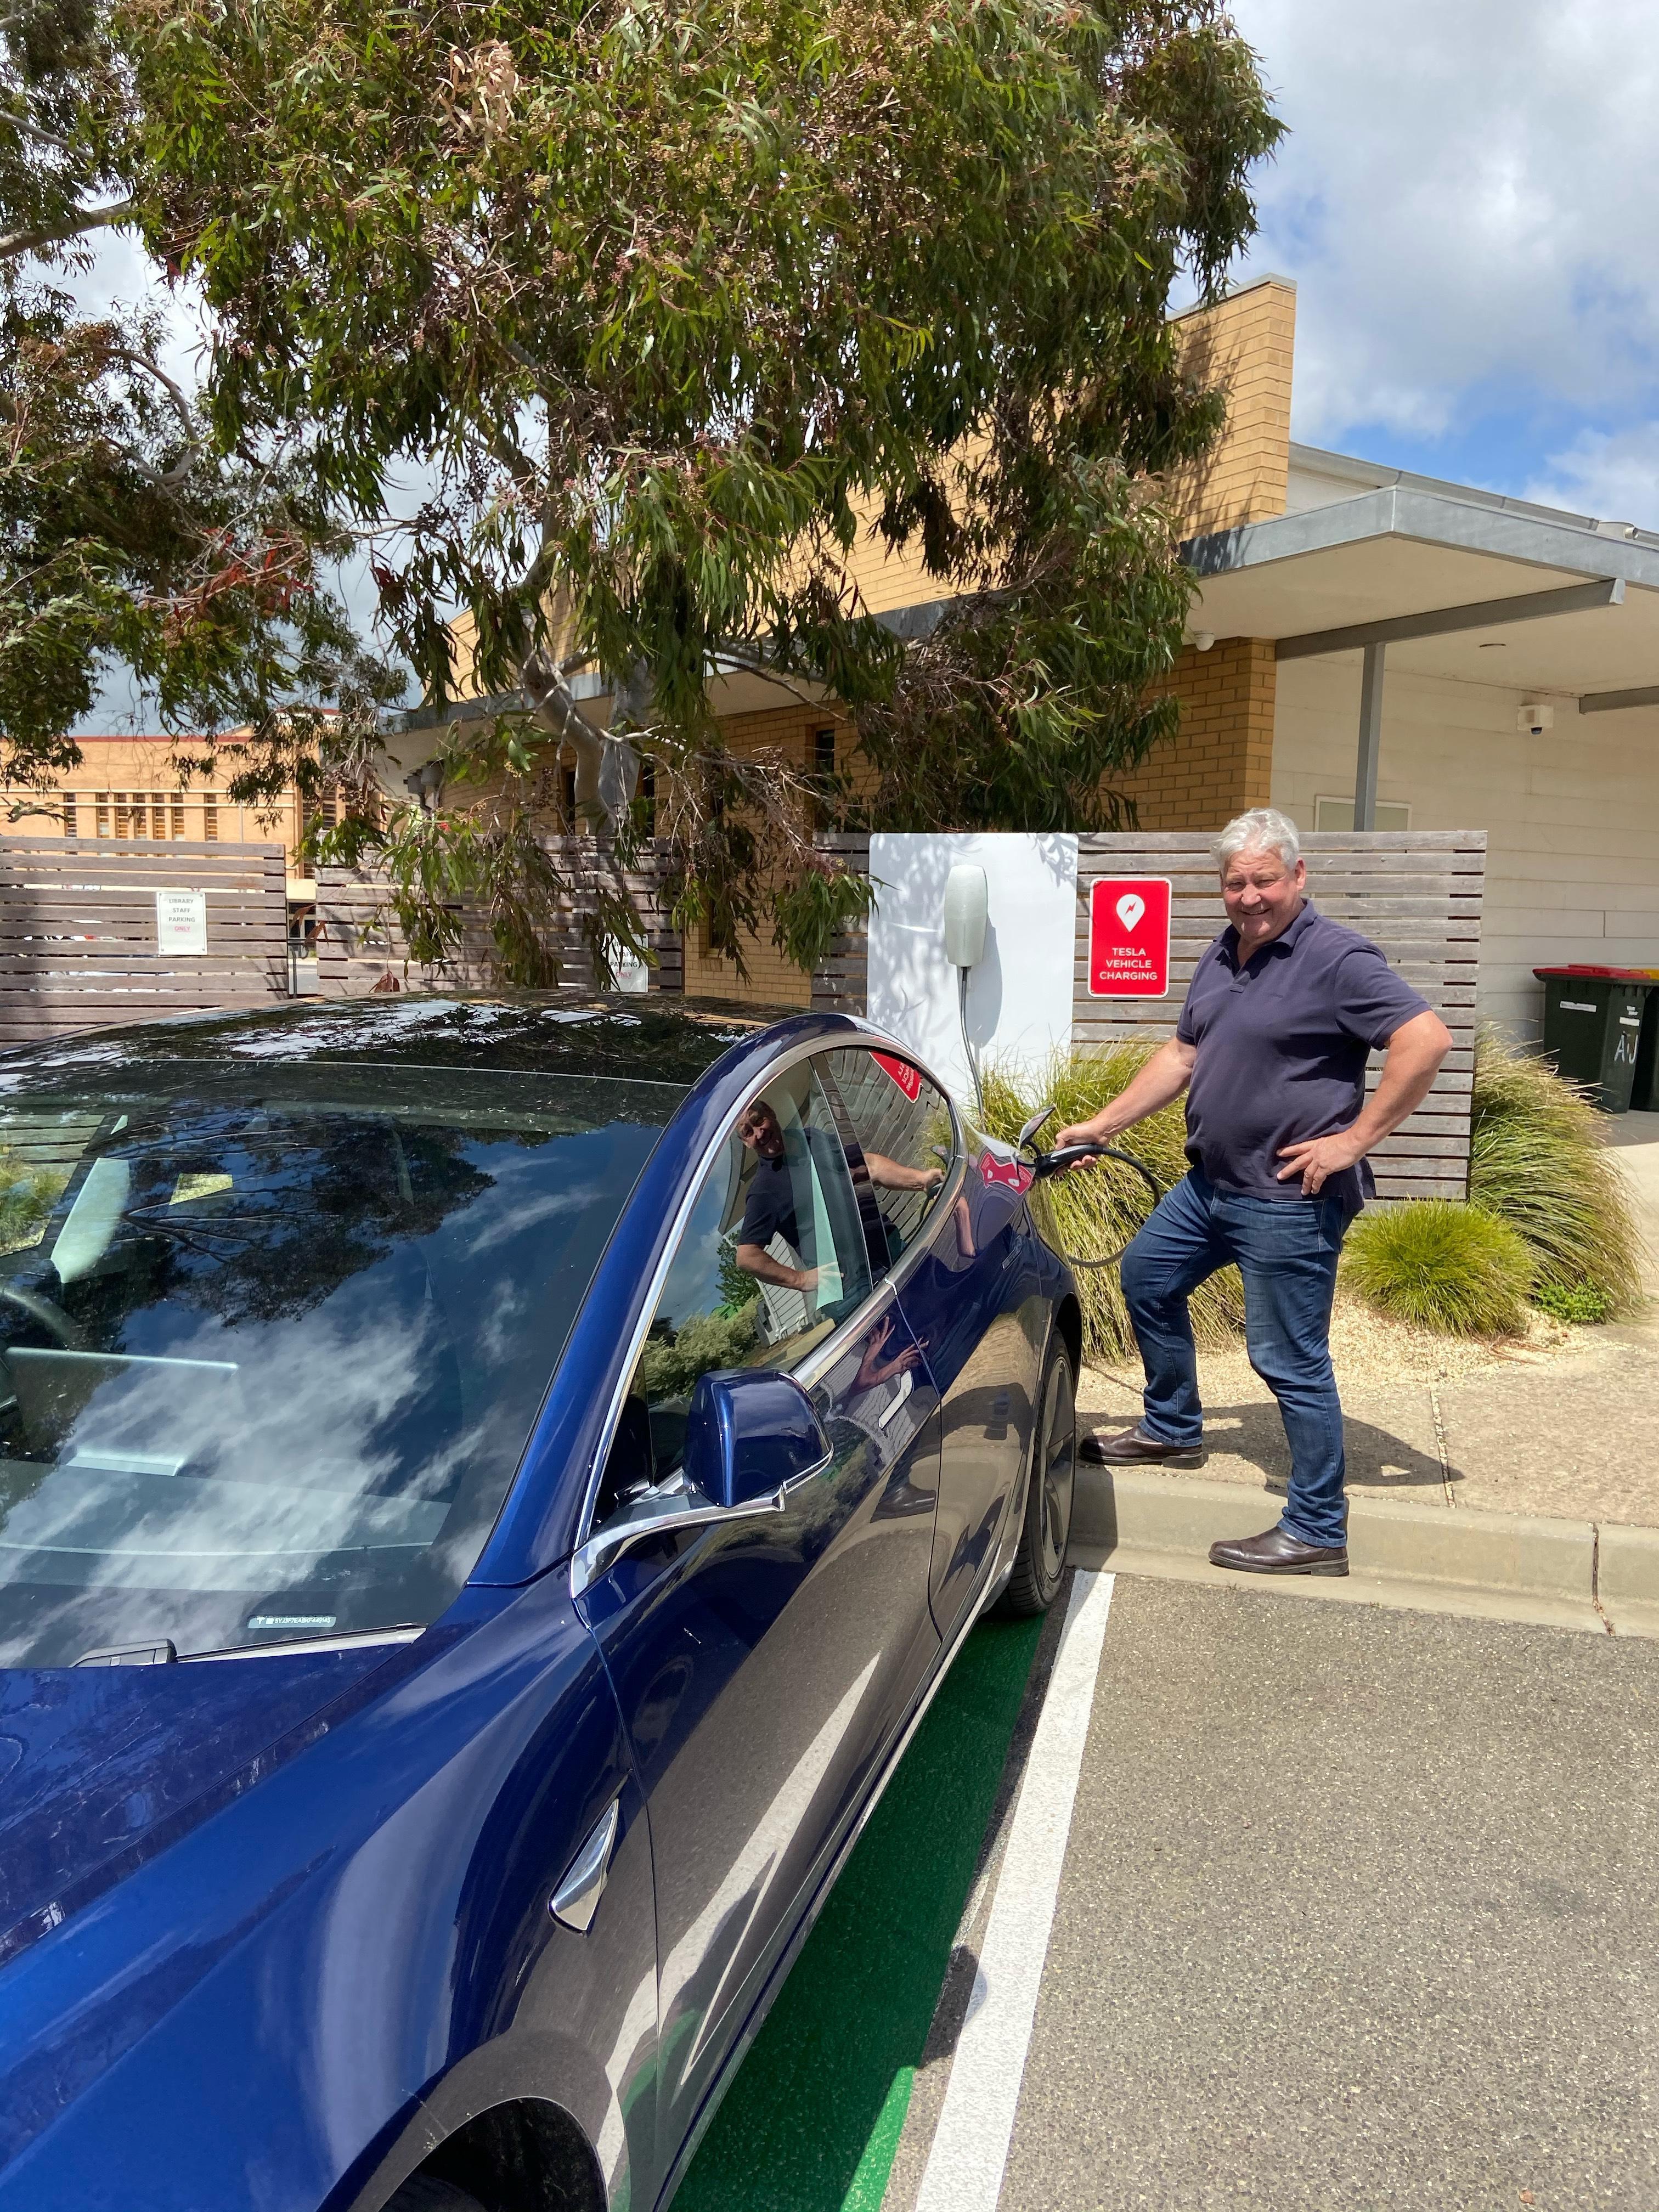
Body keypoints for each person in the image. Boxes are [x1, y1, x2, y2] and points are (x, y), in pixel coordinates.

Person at [1056, 808, 1452, 1576]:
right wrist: (1101, 1124)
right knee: (1147, 1277)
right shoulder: (1224, 952)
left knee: (1289, 1360)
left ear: (1298, 877)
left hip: (1287, 1200)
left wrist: (1354, 1141)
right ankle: (1172, 1426)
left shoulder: (1336, 957)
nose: (1249, 896)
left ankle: (1316, 1530)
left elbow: (1424, 1038)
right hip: (1211, 1185)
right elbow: (1183, 1054)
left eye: (1265, 880)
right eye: (1236, 883)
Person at [732, 1097, 941, 1295]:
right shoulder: (763, 1191)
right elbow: (747, 1256)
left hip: (890, 1247)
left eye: (759, 1121)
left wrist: (921, 1179)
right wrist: (800, 1279)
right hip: (854, 1288)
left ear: (770, 1112)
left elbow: (868, 1166)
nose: (758, 1133)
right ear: (746, 1143)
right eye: (748, 1132)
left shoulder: (810, 1137)